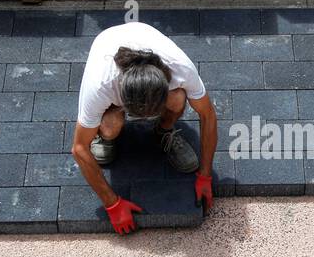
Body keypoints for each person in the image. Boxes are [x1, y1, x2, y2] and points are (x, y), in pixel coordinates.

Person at [70, 21, 217, 234]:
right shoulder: (101, 85)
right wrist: (111, 204)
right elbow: (79, 148)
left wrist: (206, 174)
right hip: (107, 44)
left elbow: (208, 115)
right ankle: (106, 137)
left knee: (177, 99)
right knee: (111, 125)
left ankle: (163, 130)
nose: (144, 119)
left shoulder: (181, 69)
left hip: (144, 36)